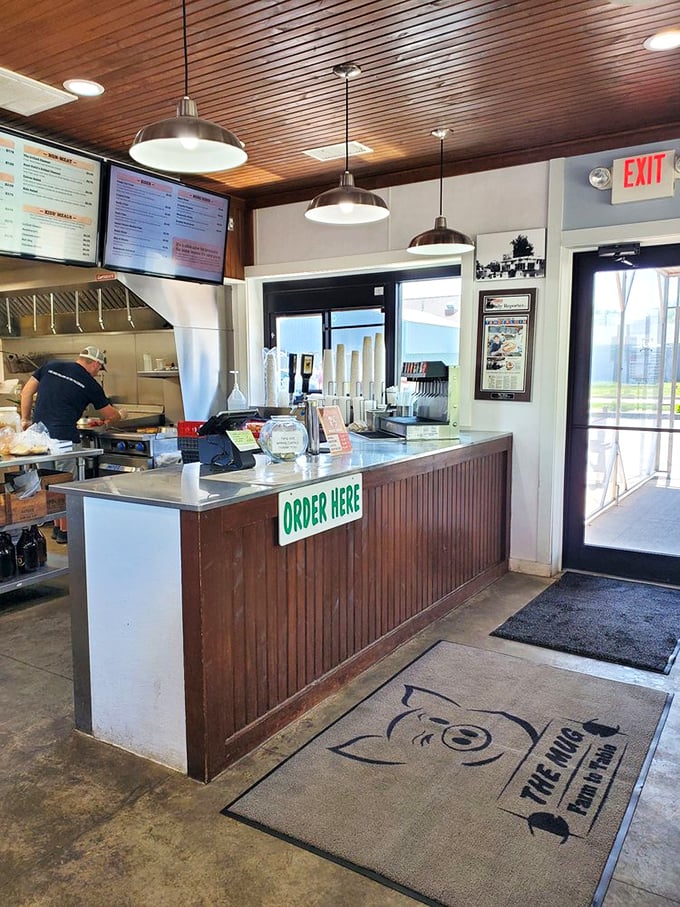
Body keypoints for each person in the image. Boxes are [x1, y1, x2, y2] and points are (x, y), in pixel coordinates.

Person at [20, 347, 124, 543]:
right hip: (64, 440)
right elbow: (111, 415)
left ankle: (57, 529)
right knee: (67, 485)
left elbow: (26, 392)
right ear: (95, 363)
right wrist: (120, 415)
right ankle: (66, 532)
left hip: (39, 438)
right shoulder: (90, 384)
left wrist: (25, 420)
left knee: (49, 484)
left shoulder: (50, 366)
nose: (97, 372)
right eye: (99, 369)